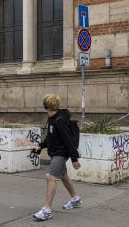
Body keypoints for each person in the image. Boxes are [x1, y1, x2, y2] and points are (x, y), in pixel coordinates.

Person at [32, 93, 82, 221]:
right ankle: (75, 199)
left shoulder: (59, 120)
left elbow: (68, 140)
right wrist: (40, 146)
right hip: (55, 152)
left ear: (45, 105)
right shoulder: (53, 118)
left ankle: (47, 209)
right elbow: (51, 137)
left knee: (50, 176)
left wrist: (74, 159)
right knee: (63, 176)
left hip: (61, 153)